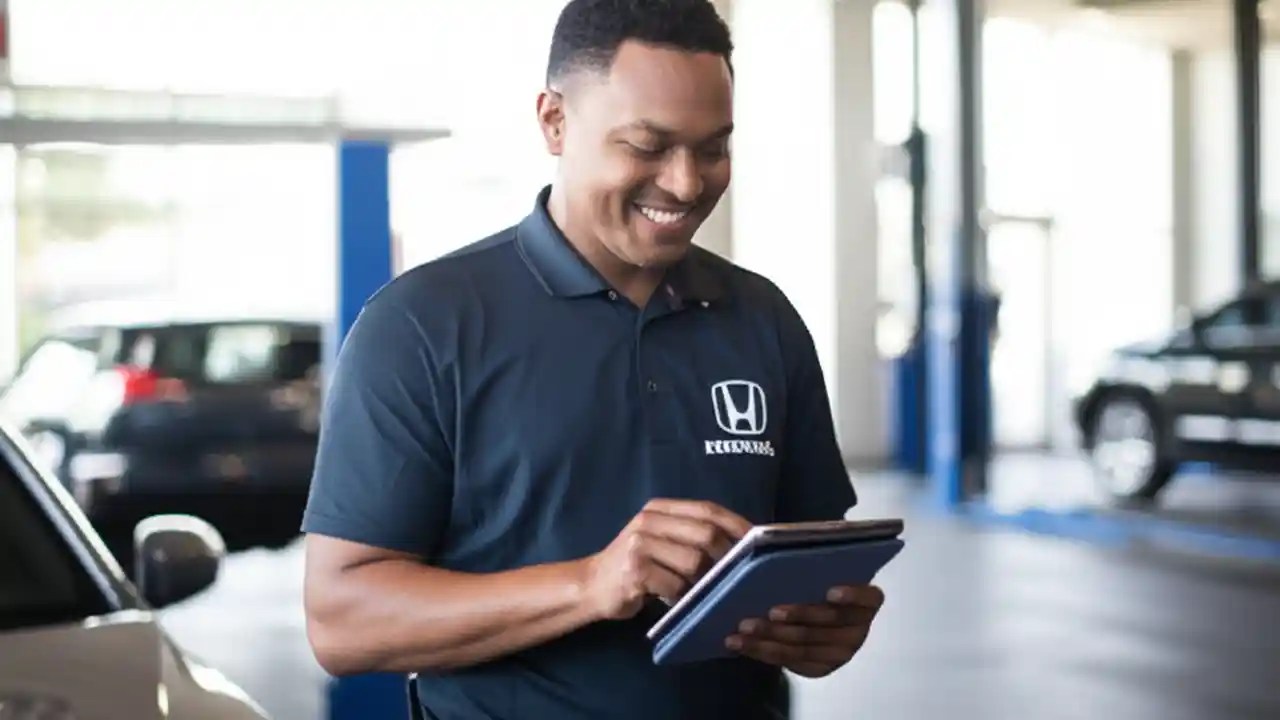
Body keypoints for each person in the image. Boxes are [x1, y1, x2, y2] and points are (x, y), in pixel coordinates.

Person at [301, 1, 885, 718]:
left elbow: (804, 571)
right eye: (646, 145)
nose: (686, 183)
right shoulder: (423, 326)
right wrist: (592, 583)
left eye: (713, 147)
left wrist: (822, 630)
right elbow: (341, 621)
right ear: (554, 121)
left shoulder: (762, 320)